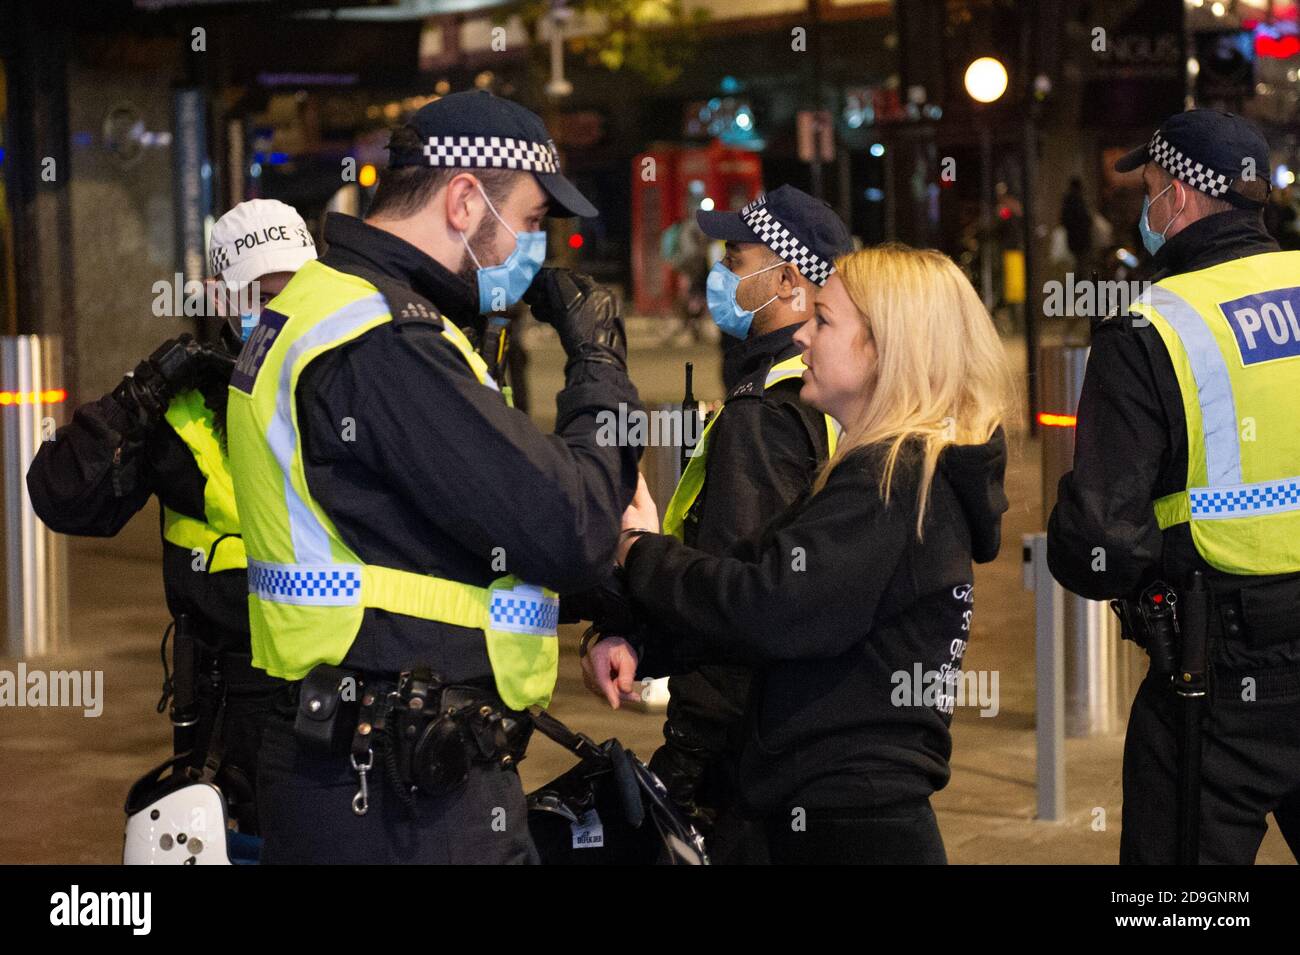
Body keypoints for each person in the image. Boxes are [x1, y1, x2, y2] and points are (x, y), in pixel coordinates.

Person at [225, 90, 643, 864]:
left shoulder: (334, 304)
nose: (532, 244)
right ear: (462, 200)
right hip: (398, 794)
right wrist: (600, 367)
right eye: (529, 219)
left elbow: (443, 526)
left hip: (366, 760)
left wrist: (604, 609)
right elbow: (572, 525)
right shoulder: (384, 341)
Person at [585, 243, 1013, 864]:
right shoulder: (879, 475)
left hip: (852, 826)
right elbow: (768, 585)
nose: (804, 338)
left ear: (885, 348)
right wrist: (643, 641)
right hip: (831, 812)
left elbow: (768, 606)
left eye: (825, 321)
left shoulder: (892, 482)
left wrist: (635, 551)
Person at [1047, 109, 1300, 864]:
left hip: (1223, 662)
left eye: (1149, 188)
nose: (1144, 208)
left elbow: (1101, 541)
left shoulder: (1151, 329)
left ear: (1183, 197)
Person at [26, 199, 317, 834]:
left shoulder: (349, 382)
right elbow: (63, 496)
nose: (280, 315)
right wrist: (139, 396)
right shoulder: (181, 408)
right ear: (220, 298)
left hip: (344, 679)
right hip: (228, 695)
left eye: (296, 294)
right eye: (261, 296)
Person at [591, 185, 849, 864]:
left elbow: (736, 597)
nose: (722, 273)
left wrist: (689, 758)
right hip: (808, 725)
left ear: (789, 280)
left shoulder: (765, 414)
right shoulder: (831, 391)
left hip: (743, 746)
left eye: (736, 259)